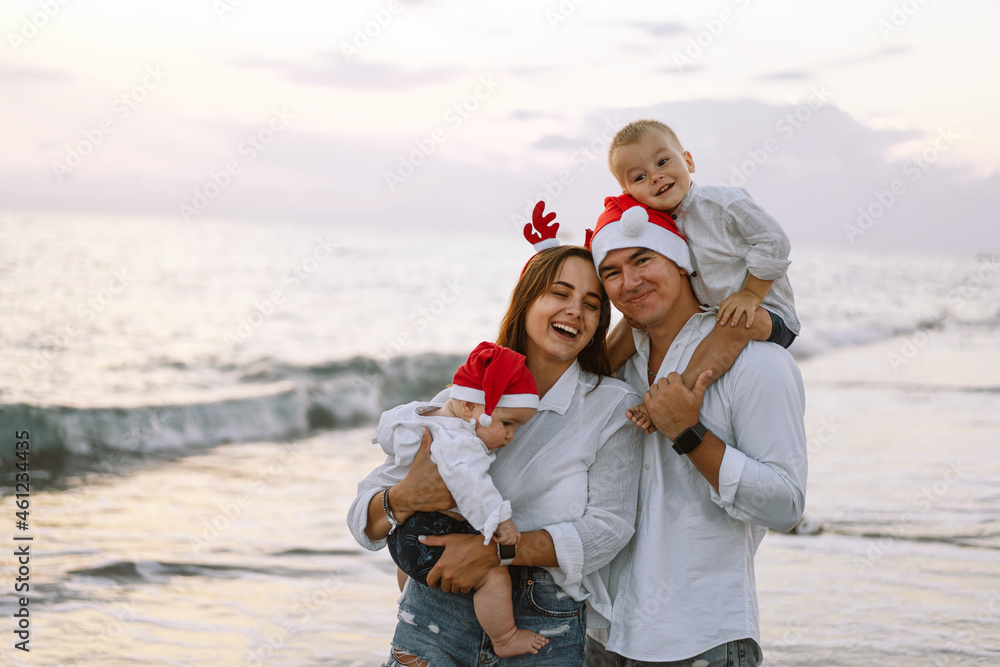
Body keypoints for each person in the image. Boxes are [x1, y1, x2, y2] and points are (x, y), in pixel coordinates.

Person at [347, 232, 644, 665]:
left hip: (544, 623)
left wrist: (498, 550)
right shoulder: (465, 401)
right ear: (526, 301)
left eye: (592, 304)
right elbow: (364, 520)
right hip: (434, 614)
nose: (575, 311)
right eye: (559, 293)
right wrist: (404, 497)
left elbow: (609, 529)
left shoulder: (611, 406)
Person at [583, 200, 808, 664]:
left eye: (643, 259)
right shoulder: (609, 373)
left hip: (701, 637)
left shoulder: (758, 362)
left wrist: (687, 433)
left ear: (682, 261)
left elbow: (786, 506)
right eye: (611, 272)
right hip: (598, 633)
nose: (630, 281)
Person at [601, 119, 800, 430]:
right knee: (637, 320)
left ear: (689, 161)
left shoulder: (722, 203)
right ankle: (591, 375)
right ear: (629, 193)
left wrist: (751, 294)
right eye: (640, 177)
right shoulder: (659, 224)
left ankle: (671, 396)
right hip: (711, 312)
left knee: (733, 325)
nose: (656, 176)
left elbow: (774, 240)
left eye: (663, 161)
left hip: (767, 313)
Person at [372, 341, 548, 657]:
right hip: (430, 532)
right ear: (469, 407)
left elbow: (388, 427)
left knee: (415, 564)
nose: (510, 436)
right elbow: (473, 488)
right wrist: (499, 520)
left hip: (403, 535)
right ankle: (505, 638)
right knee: (494, 574)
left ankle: (407, 598)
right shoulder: (460, 441)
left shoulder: (423, 418)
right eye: (507, 423)